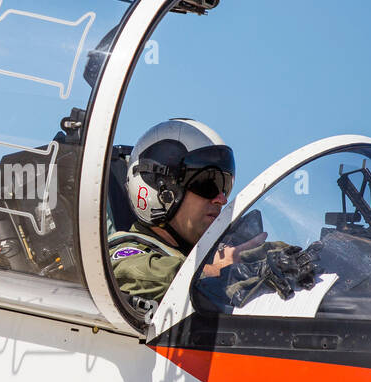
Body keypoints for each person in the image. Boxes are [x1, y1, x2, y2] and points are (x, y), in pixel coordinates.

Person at [108, 118, 265, 310]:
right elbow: (134, 273)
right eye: (207, 184)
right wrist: (216, 271)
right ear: (162, 192)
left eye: (224, 186)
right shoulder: (122, 253)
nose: (221, 199)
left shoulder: (211, 254)